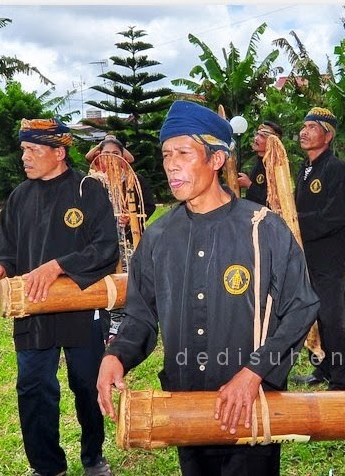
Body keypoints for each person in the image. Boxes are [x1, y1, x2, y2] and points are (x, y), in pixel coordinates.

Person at [96, 100, 320, 476]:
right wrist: (116, 355)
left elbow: (301, 307)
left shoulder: (262, 228)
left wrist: (254, 374)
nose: (171, 164)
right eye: (167, 154)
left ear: (216, 159)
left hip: (250, 406)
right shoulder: (160, 237)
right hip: (185, 405)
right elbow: (140, 315)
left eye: (183, 152)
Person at [0, 117, 118, 476]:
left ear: (59, 153)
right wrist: (1, 270)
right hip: (33, 310)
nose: (25, 157)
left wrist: (58, 266)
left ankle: (93, 458)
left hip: (82, 306)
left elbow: (105, 248)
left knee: (87, 385)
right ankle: (47, 467)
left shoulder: (88, 190)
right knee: (34, 388)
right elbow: (7, 250)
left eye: (34, 150)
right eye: (23, 149)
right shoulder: (19, 197)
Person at [290, 107, 345, 391]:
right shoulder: (305, 169)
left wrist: (294, 223)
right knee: (312, 316)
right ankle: (322, 369)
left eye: (312, 127)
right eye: (303, 127)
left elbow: (334, 216)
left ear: (327, 136)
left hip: (330, 257)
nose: (304, 132)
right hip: (307, 255)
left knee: (331, 317)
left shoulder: (337, 170)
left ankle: (342, 380)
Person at [85, 134, 157, 342]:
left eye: (115, 154)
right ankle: (110, 325)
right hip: (100, 243)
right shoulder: (94, 180)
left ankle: (131, 323)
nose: (110, 158)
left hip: (128, 242)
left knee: (129, 280)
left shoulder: (134, 179)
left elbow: (148, 207)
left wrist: (131, 218)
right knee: (107, 280)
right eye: (106, 153)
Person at [237, 121, 284, 206]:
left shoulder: (275, 167)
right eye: (257, 134)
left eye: (262, 136)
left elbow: (272, 201)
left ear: (272, 142)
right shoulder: (258, 162)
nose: (256, 138)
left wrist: (249, 185)